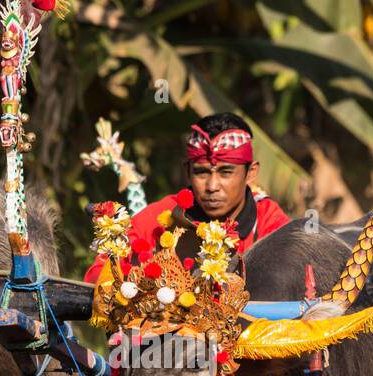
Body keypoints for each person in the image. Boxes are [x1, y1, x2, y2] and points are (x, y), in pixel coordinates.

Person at [83, 113, 290, 282]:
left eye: (226, 172)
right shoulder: (160, 217)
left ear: (251, 173)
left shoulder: (271, 222)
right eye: (201, 172)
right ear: (188, 171)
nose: (212, 186)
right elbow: (97, 277)